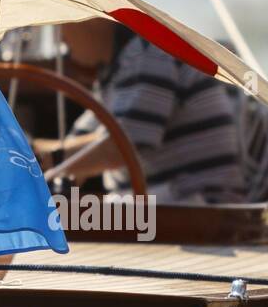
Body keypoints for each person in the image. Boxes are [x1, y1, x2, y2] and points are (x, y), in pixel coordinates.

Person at [43, 17, 250, 204]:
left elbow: (119, 148)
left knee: (89, 217)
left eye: (60, 22)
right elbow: (79, 145)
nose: (59, 39)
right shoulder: (119, 69)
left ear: (91, 17)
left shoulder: (150, 52)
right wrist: (33, 155)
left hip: (202, 207)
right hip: (174, 204)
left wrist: (35, 165)